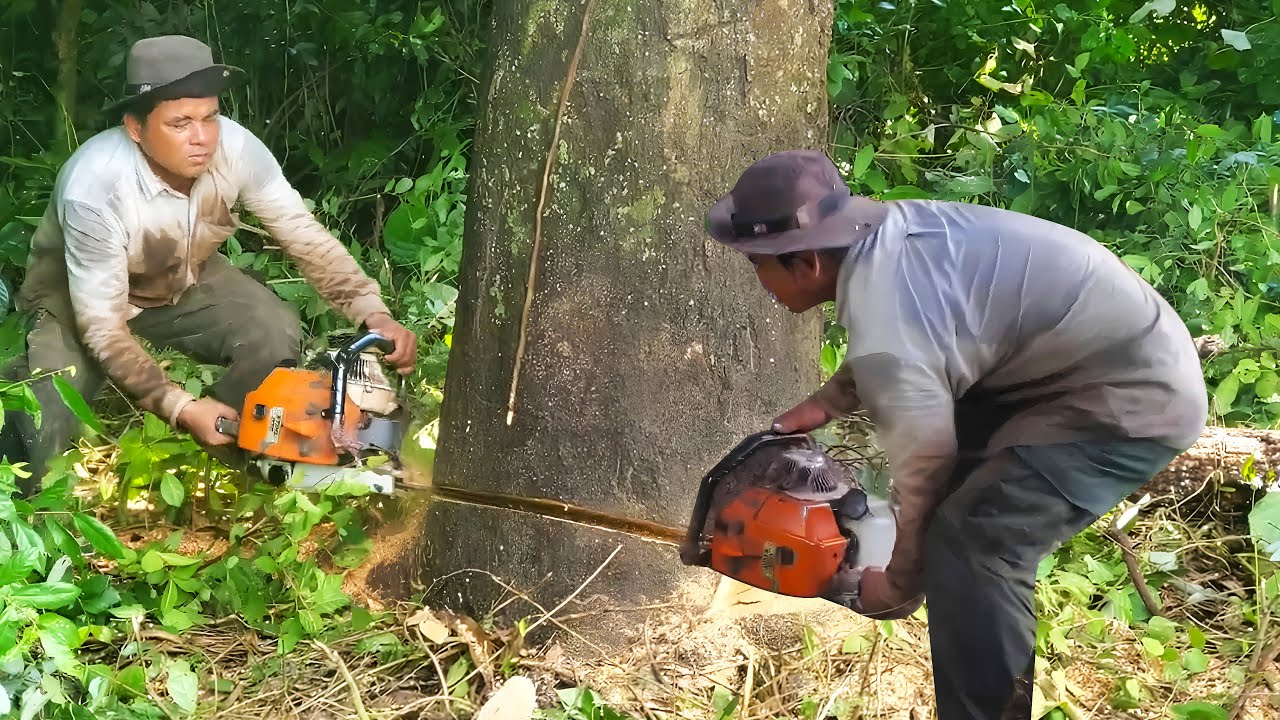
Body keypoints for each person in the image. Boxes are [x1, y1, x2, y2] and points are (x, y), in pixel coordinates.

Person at [703, 150, 1207, 719]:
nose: (758, 280)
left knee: (974, 540)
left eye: (758, 264)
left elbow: (925, 460)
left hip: (1126, 396)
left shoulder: (883, 305)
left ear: (807, 262)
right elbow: (924, 331)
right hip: (1052, 372)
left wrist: (897, 584)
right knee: (951, 526)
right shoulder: (883, 243)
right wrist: (830, 401)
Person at [0, 35, 417, 486]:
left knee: (270, 332)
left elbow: (302, 234)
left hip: (181, 278)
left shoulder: (235, 148)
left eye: (209, 117)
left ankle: (249, 459)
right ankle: (29, 514)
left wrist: (372, 313)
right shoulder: (95, 186)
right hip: (76, 299)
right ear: (135, 128)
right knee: (43, 422)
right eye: (180, 124)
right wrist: (180, 406)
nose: (201, 138)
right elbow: (102, 327)